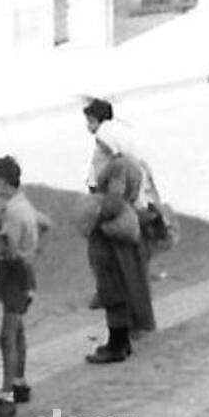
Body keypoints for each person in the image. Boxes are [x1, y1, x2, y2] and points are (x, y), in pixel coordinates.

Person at [0, 156, 50, 417]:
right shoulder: (25, 205)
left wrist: (2, 249)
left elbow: (8, 245)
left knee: (7, 335)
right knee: (18, 329)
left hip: (13, 273)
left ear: (1, 182)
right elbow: (46, 223)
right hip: (26, 271)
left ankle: (8, 393)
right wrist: (33, 248)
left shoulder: (11, 211)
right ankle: (19, 381)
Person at [83, 124, 157, 363]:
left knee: (112, 288)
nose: (99, 149)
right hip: (129, 233)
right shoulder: (133, 164)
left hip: (114, 238)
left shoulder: (117, 168)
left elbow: (114, 200)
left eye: (102, 145)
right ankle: (121, 341)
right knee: (126, 285)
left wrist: (95, 213)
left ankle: (116, 344)